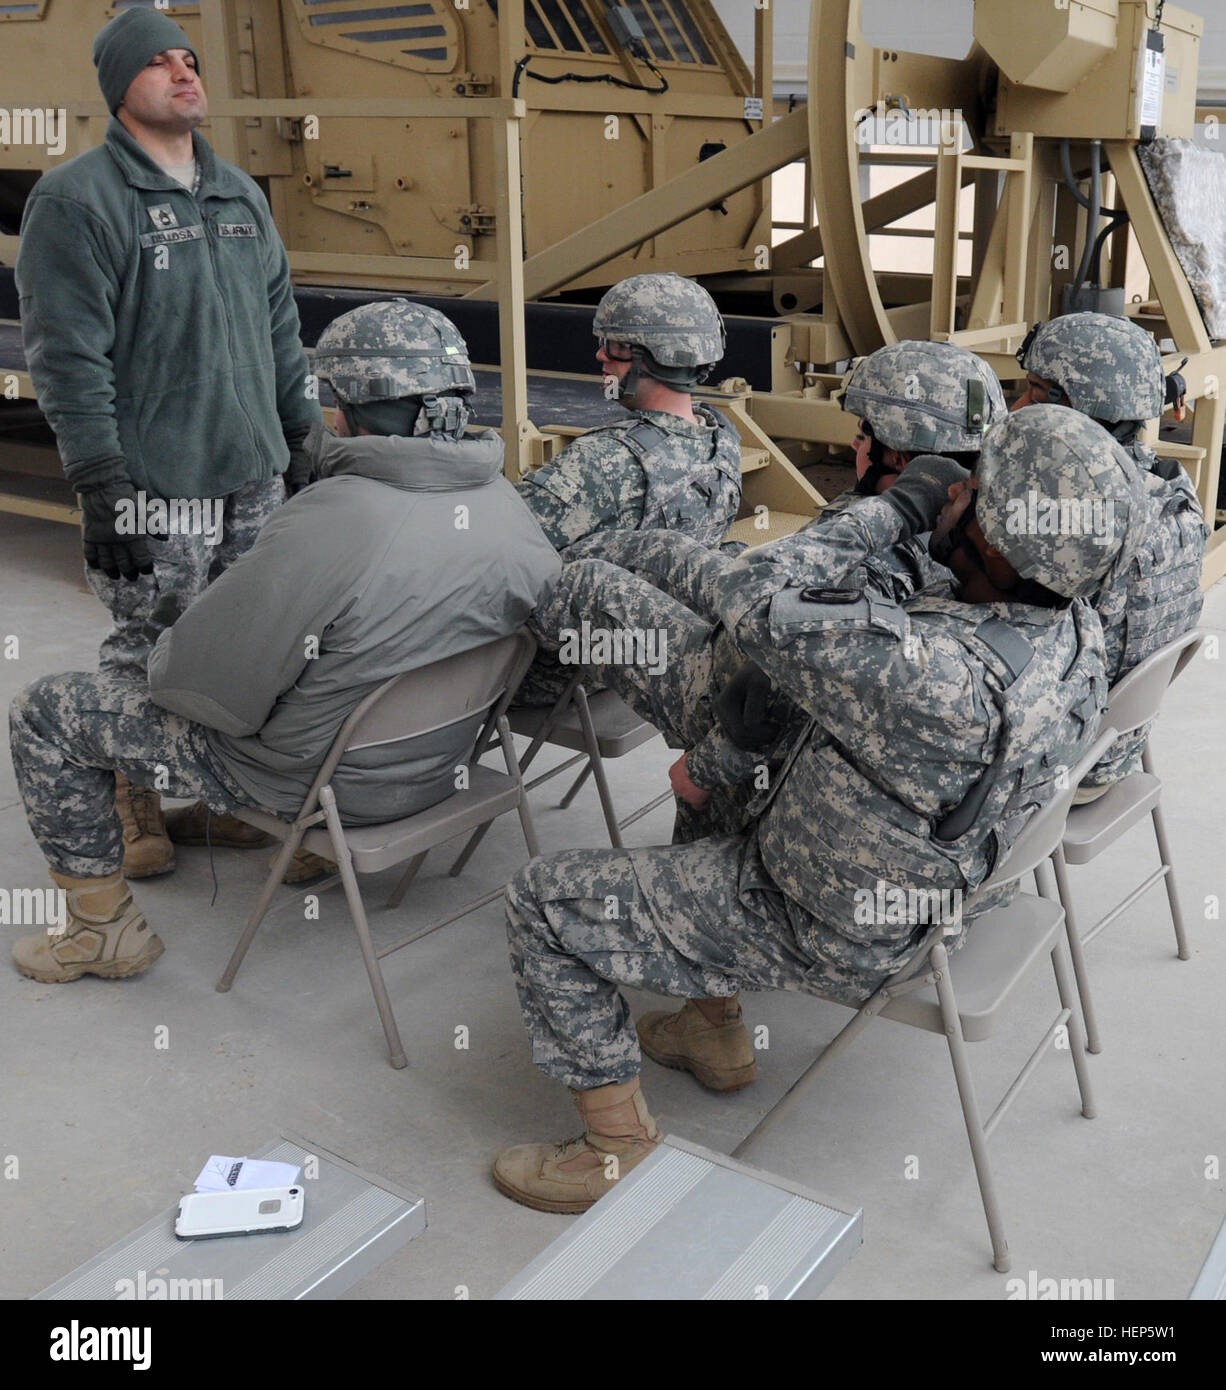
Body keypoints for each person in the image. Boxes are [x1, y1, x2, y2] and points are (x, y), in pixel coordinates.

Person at [491, 406, 1149, 1214]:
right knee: (728, 748)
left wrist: (894, 507)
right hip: (935, 888)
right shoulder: (1078, 635)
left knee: (542, 902)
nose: (955, 494)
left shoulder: (926, 671)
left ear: (997, 542)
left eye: (970, 492)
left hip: (825, 922)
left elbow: (761, 596)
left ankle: (612, 1150)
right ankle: (712, 1029)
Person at [6, 302, 560, 984]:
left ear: (346, 408)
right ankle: (263, 835)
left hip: (324, 788)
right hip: (439, 769)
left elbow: (194, 690)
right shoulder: (510, 507)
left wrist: (177, 623)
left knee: (44, 710)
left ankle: (100, 932)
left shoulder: (330, 520)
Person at [15, 6, 320, 878]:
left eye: (191, 60)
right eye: (159, 63)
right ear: (119, 89)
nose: (186, 73)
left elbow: (278, 326)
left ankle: (222, 798)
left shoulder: (238, 193)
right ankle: (129, 794)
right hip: (158, 483)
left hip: (251, 475)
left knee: (246, 649)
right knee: (147, 646)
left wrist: (297, 431)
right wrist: (100, 481)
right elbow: (67, 355)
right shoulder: (77, 200)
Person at [527, 340, 1009, 842]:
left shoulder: (871, 563)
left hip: (736, 690)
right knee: (655, 549)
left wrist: (706, 769)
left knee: (587, 587)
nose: (853, 445)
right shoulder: (969, 539)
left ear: (900, 455)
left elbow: (789, 690)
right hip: (765, 637)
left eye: (864, 434)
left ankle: (493, 680)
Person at [513, 272, 742, 706]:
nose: (600, 355)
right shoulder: (722, 439)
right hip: (636, 660)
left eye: (616, 348)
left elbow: (500, 556)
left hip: (554, 673)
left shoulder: (603, 460)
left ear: (654, 358)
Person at [1014, 313, 1207, 795]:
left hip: (1060, 770)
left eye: (1036, 391)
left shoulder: (1075, 521)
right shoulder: (1172, 489)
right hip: (1119, 749)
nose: (1017, 406)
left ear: (1080, 406)